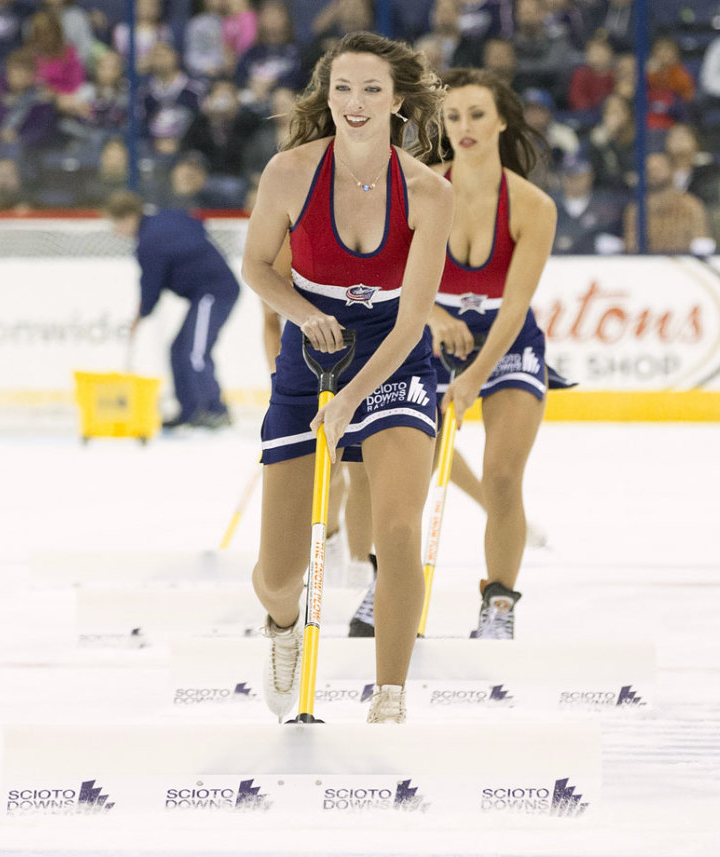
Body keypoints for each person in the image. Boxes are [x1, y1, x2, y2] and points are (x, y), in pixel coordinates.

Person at [240, 32, 453, 724]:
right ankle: (281, 628)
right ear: (325, 96)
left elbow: (414, 318)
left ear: (396, 102)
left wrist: (354, 401)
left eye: (370, 90)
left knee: (395, 532)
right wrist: (302, 313)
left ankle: (388, 696)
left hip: (394, 362)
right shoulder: (288, 173)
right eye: (341, 89)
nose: (354, 104)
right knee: (277, 574)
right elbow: (257, 268)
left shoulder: (428, 192)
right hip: (312, 359)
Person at [345, 66, 557, 641]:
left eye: (477, 115)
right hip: (426, 338)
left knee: (504, 477)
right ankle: (387, 583)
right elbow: (394, 280)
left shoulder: (533, 207)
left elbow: (515, 309)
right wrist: (436, 318)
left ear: (502, 122)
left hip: (507, 346)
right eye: (455, 116)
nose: (464, 127)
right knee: (393, 474)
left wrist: (475, 378)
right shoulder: (419, 189)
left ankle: (498, 604)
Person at [106, 190, 240, 429]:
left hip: (214, 290)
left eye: (115, 224)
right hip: (203, 293)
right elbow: (198, 224)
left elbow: (151, 285)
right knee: (179, 349)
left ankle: (216, 410)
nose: (115, 232)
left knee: (195, 352)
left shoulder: (148, 242)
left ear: (127, 218)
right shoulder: (165, 218)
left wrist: (142, 314)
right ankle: (190, 411)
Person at [623, 151, 712, 254]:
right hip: (648, 265)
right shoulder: (636, 210)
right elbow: (631, 248)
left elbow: (700, 243)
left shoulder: (692, 206)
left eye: (658, 167)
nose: (653, 172)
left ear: (672, 170)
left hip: (684, 264)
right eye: (649, 169)